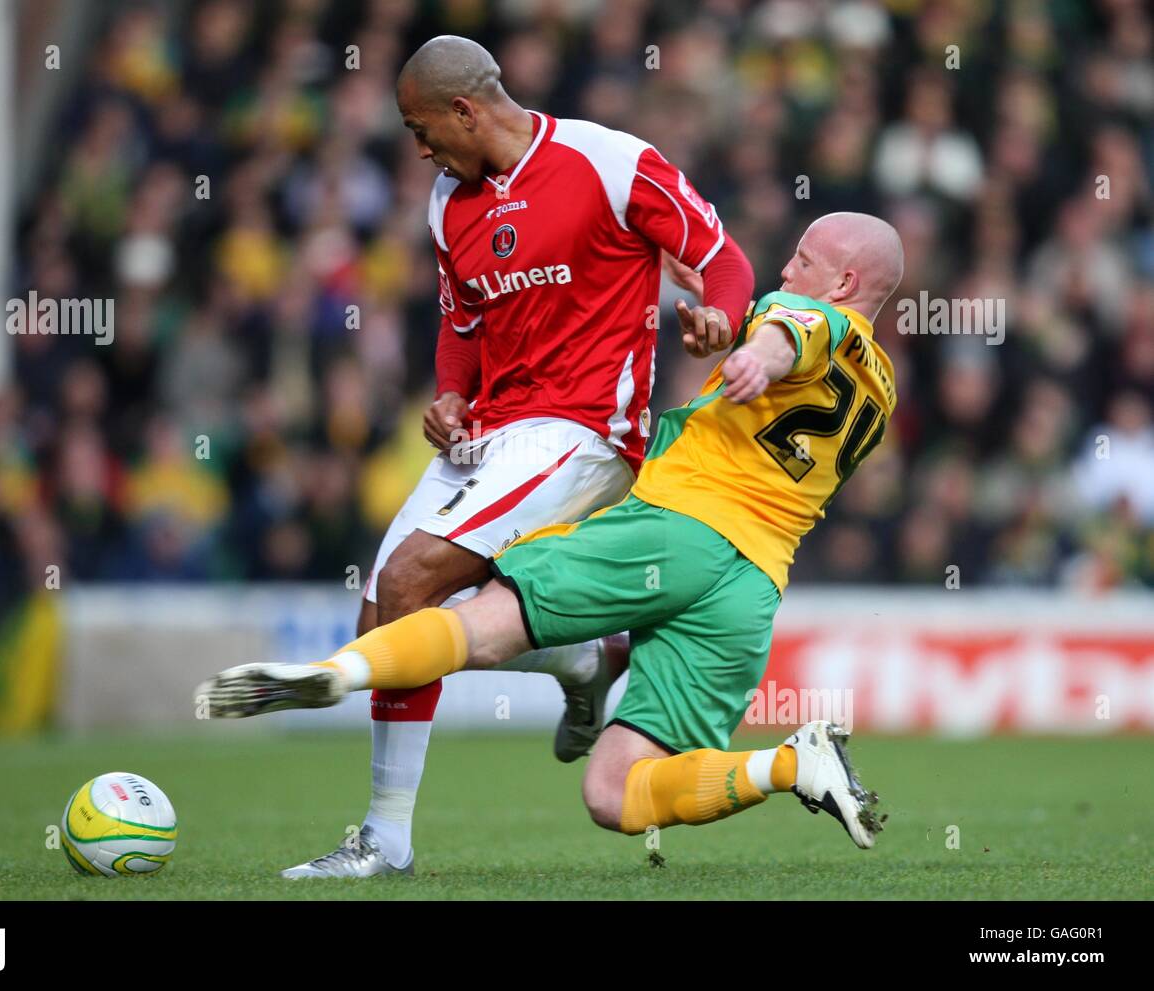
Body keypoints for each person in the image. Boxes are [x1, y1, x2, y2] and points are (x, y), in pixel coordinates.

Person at [199, 211, 904, 852]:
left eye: (804, 260)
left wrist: (758, 354)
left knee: (483, 624)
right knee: (615, 794)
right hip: (749, 588)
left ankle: (333, 673)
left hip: (676, 530)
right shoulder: (883, 386)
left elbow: (791, 334)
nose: (787, 269)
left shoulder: (804, 317)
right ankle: (791, 763)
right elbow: (801, 354)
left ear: (842, 280)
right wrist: (736, 332)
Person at [258, 35, 755, 877]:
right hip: (492, 429)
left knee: (414, 583)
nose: (418, 148)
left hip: (591, 428)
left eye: (421, 127)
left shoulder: (610, 161)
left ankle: (384, 838)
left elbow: (724, 263)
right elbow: (462, 325)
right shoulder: (447, 198)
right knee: (382, 613)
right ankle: (581, 660)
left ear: (465, 109)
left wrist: (723, 321)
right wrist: (450, 395)